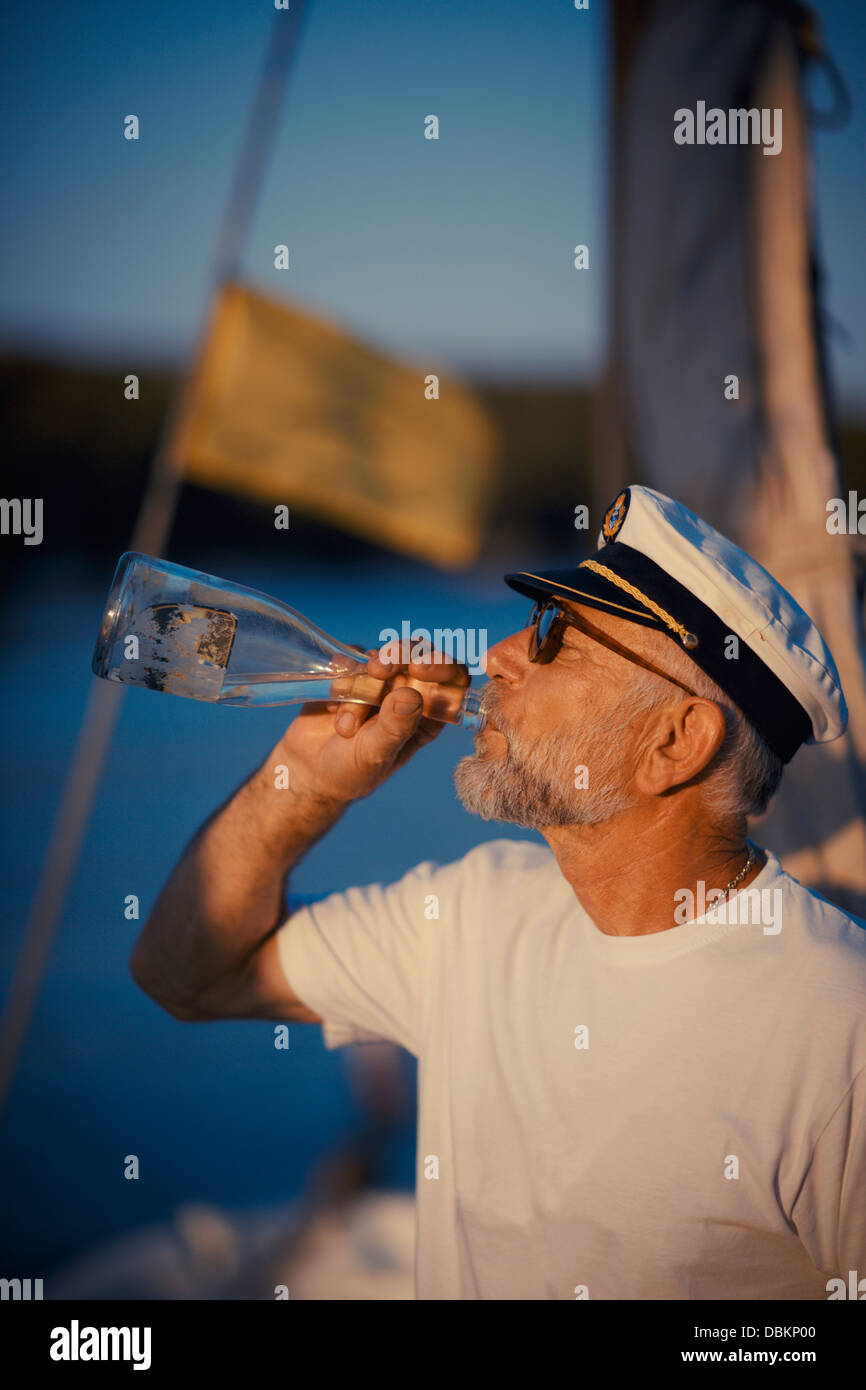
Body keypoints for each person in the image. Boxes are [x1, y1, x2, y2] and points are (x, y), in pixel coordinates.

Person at [130, 485, 866, 1300]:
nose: (499, 655)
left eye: (558, 639)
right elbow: (187, 975)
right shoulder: (473, 915)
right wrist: (303, 780)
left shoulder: (837, 1028)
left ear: (675, 742)